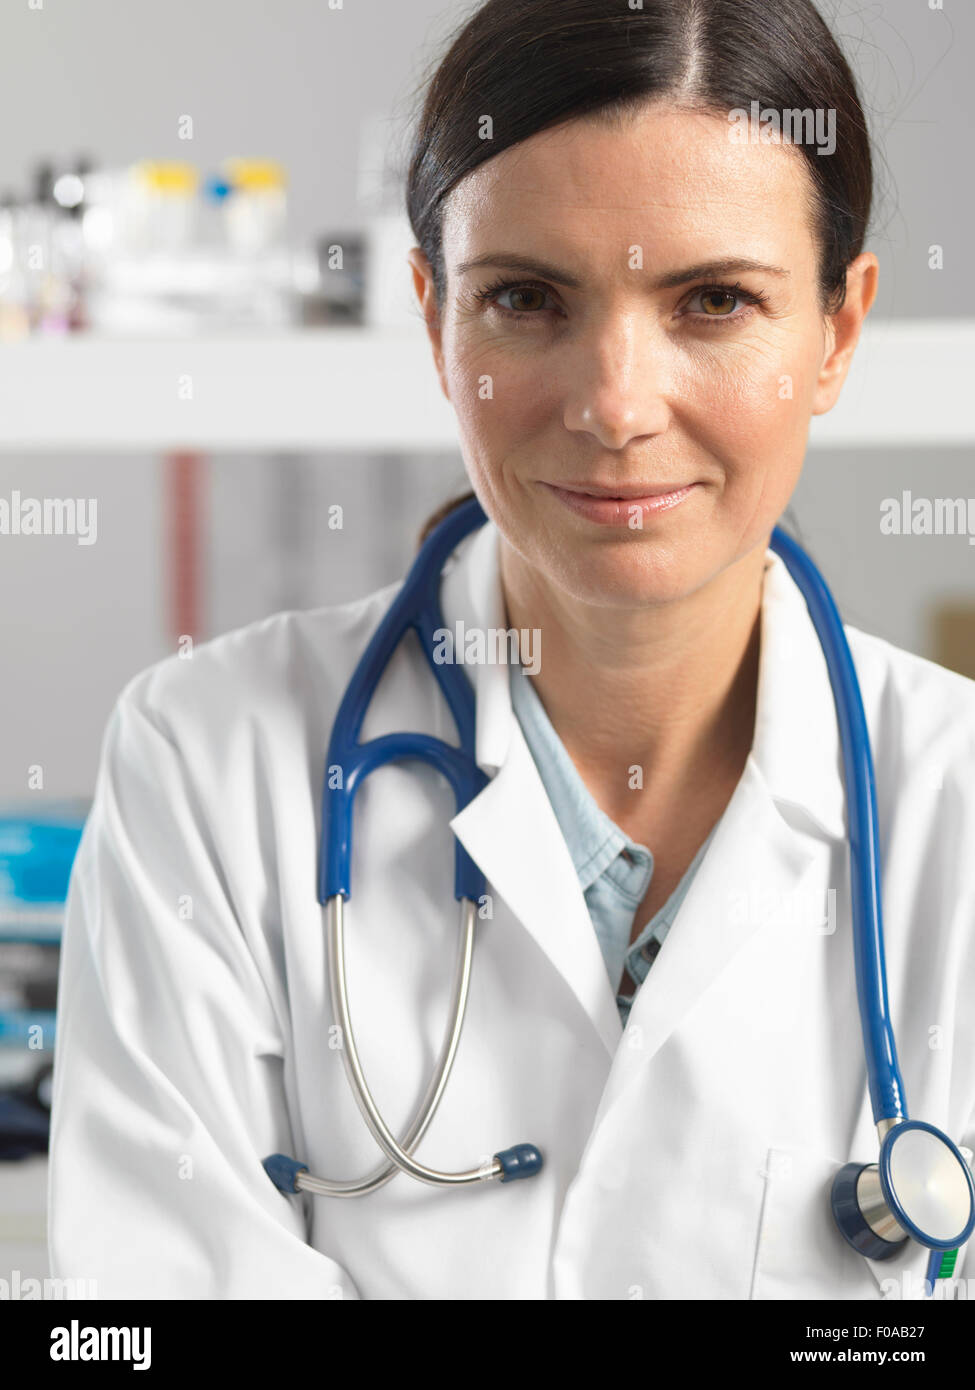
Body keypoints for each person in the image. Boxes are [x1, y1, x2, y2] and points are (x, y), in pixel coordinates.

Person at [49, 0, 975, 1300]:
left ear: (838, 331)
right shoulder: (207, 764)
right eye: (528, 299)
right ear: (434, 321)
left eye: (713, 301)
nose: (614, 403)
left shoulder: (956, 807)